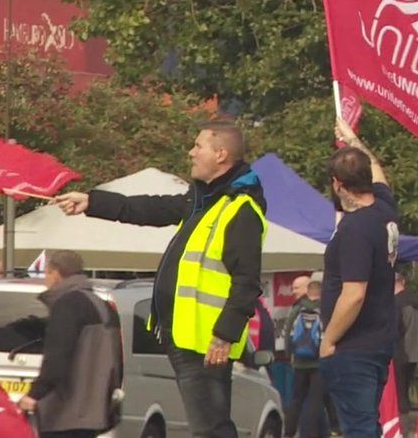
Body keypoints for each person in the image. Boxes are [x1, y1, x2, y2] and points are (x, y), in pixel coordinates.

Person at [54, 121, 265, 437]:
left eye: (199, 145)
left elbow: (247, 281)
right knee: (208, 427)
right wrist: (92, 202)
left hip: (206, 341)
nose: (191, 152)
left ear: (221, 154)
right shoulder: (203, 199)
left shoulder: (240, 209)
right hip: (184, 335)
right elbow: (149, 208)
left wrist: (224, 333)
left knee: (211, 429)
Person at [318, 119, 398, 438]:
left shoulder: (355, 229)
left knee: (358, 428)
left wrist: (329, 339)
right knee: (366, 425)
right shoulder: (385, 211)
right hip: (378, 340)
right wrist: (353, 140)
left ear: (338, 184)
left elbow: (354, 294)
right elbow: (377, 169)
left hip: (354, 347)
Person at [16, 251, 122, 437]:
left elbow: (57, 359)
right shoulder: (103, 306)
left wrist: (34, 395)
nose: (45, 281)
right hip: (92, 413)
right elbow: (116, 362)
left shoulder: (66, 306)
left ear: (56, 273)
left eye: (47, 274)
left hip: (63, 414)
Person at [283, 280, 327, 438]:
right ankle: (313, 433)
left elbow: (288, 333)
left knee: (296, 398)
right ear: (320, 292)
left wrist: (290, 355)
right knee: (315, 400)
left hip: (300, 362)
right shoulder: (324, 308)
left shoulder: (297, 308)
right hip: (319, 362)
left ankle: (289, 431)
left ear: (308, 291)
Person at [393, 272, 418, 416]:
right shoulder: (415, 302)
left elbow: (396, 329)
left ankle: (399, 428)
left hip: (399, 352)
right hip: (413, 353)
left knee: (397, 393)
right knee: (403, 392)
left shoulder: (397, 303)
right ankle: (402, 426)